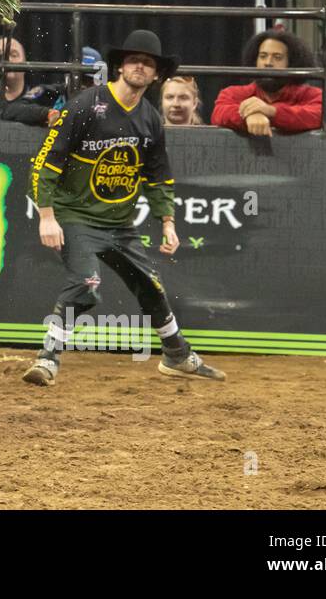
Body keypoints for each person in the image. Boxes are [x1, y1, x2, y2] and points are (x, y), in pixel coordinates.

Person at [24, 29, 226, 387]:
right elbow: (46, 161)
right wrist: (47, 216)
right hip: (75, 216)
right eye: (133, 60)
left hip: (119, 222)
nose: (140, 67)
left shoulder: (150, 119)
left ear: (156, 74)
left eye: (148, 63)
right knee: (85, 283)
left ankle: (177, 354)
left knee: (151, 285)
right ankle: (47, 358)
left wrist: (168, 222)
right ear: (120, 66)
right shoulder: (86, 105)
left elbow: (158, 175)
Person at [210, 28, 322, 135]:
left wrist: (271, 111)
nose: (268, 63)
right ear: (255, 60)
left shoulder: (312, 95)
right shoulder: (232, 93)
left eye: (277, 57)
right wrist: (250, 115)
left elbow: (318, 115)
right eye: (263, 56)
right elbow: (219, 113)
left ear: (291, 63)